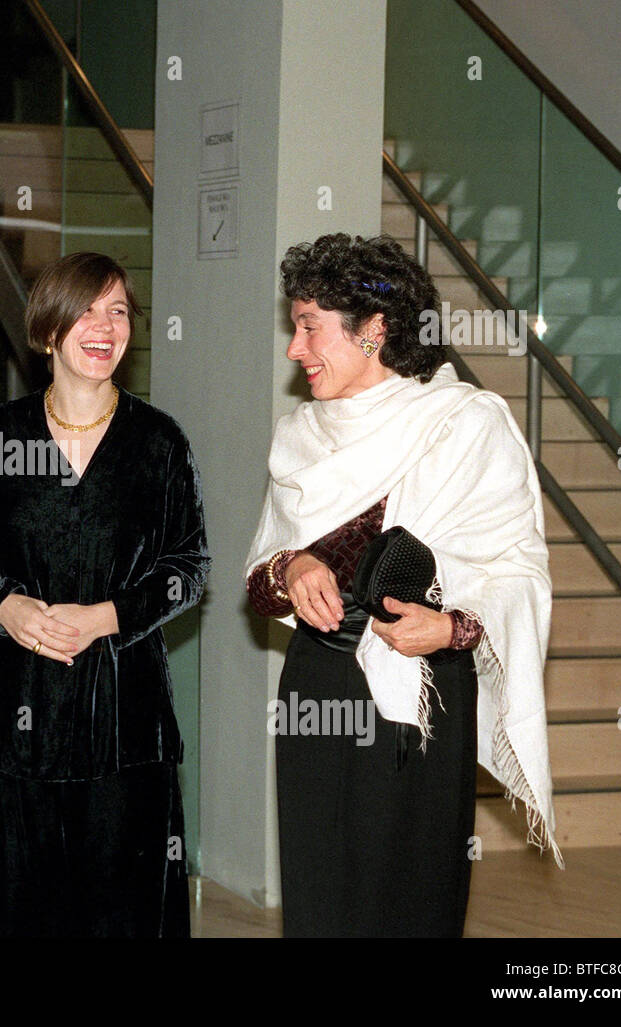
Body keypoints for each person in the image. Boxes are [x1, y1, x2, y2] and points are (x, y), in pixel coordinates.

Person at [245, 232, 560, 938]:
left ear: (375, 329)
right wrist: (291, 567)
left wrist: (451, 628)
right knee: (320, 889)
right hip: (318, 683)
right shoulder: (299, 434)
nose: (295, 349)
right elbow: (259, 583)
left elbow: (519, 573)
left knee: (411, 895)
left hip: (424, 691)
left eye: (308, 326)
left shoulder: (467, 426)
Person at [0, 251, 209, 937]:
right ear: (50, 326)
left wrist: (107, 617)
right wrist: (9, 606)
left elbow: (188, 566)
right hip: (3, 718)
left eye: (118, 310)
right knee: (13, 913)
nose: (104, 325)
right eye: (87, 308)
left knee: (124, 913)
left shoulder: (158, 443)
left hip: (122, 721)